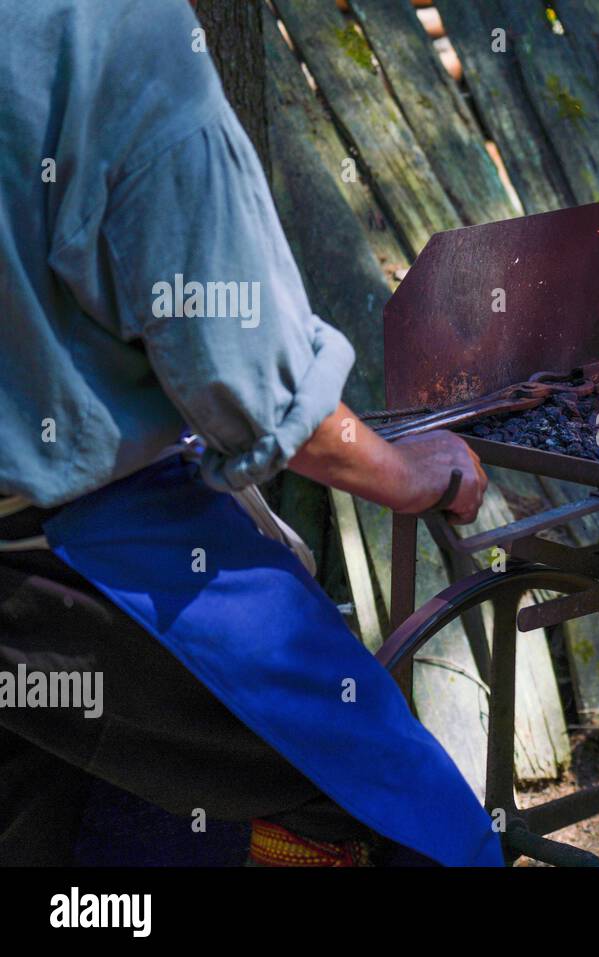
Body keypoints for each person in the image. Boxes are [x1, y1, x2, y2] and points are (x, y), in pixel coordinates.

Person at [0, 0, 498, 865]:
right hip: (82, 544)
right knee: (429, 828)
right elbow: (248, 380)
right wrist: (415, 473)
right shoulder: (121, 30)